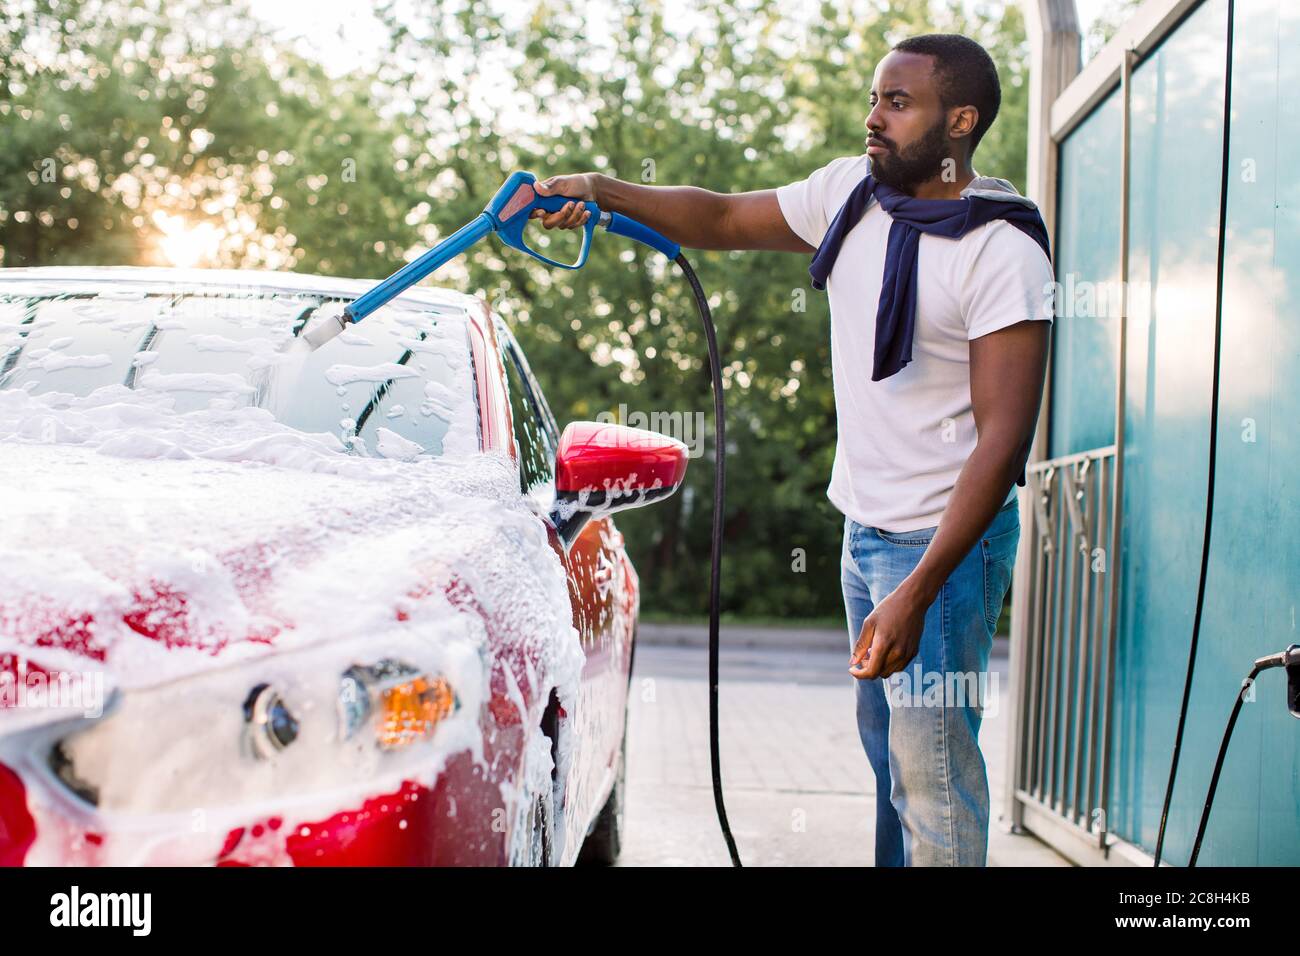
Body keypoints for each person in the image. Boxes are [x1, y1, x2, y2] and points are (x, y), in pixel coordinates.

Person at [531, 32, 1053, 866]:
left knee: (934, 783)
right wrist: (601, 190)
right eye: (875, 97)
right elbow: (723, 215)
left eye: (897, 103)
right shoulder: (852, 192)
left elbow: (1003, 443)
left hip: (945, 554)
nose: (872, 119)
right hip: (863, 532)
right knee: (892, 769)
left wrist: (918, 591)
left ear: (960, 121)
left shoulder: (1002, 250)